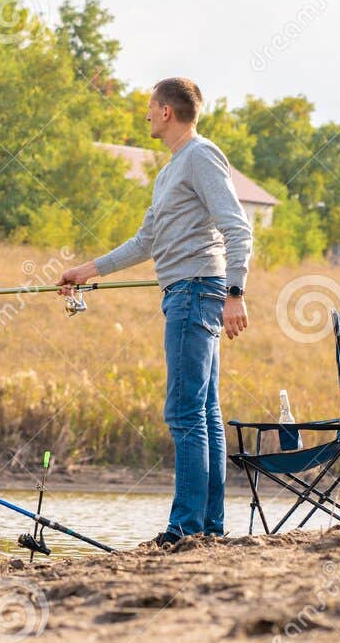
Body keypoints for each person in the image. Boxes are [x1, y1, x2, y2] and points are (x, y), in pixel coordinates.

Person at [60, 76, 252, 544]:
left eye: (150, 107)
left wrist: (235, 293)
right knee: (204, 411)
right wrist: (89, 269)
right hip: (183, 293)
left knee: (185, 412)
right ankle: (207, 528)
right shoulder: (170, 171)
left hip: (195, 292)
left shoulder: (201, 155)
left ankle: (185, 527)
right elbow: (147, 240)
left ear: (167, 111)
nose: (145, 114)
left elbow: (237, 227)